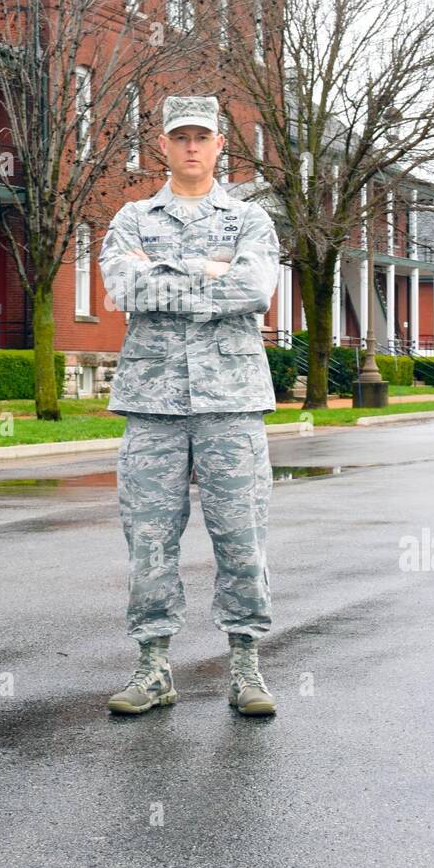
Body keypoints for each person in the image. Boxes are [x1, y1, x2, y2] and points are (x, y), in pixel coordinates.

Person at [98, 94, 281, 716]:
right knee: (149, 540)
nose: (192, 147)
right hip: (152, 405)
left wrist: (173, 273)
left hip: (232, 403)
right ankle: (152, 669)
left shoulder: (250, 220)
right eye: (181, 138)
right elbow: (125, 287)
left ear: (220, 144)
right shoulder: (130, 219)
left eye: (203, 136)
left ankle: (247, 669)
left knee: (242, 538)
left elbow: (255, 288)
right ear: (164, 147)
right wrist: (210, 275)